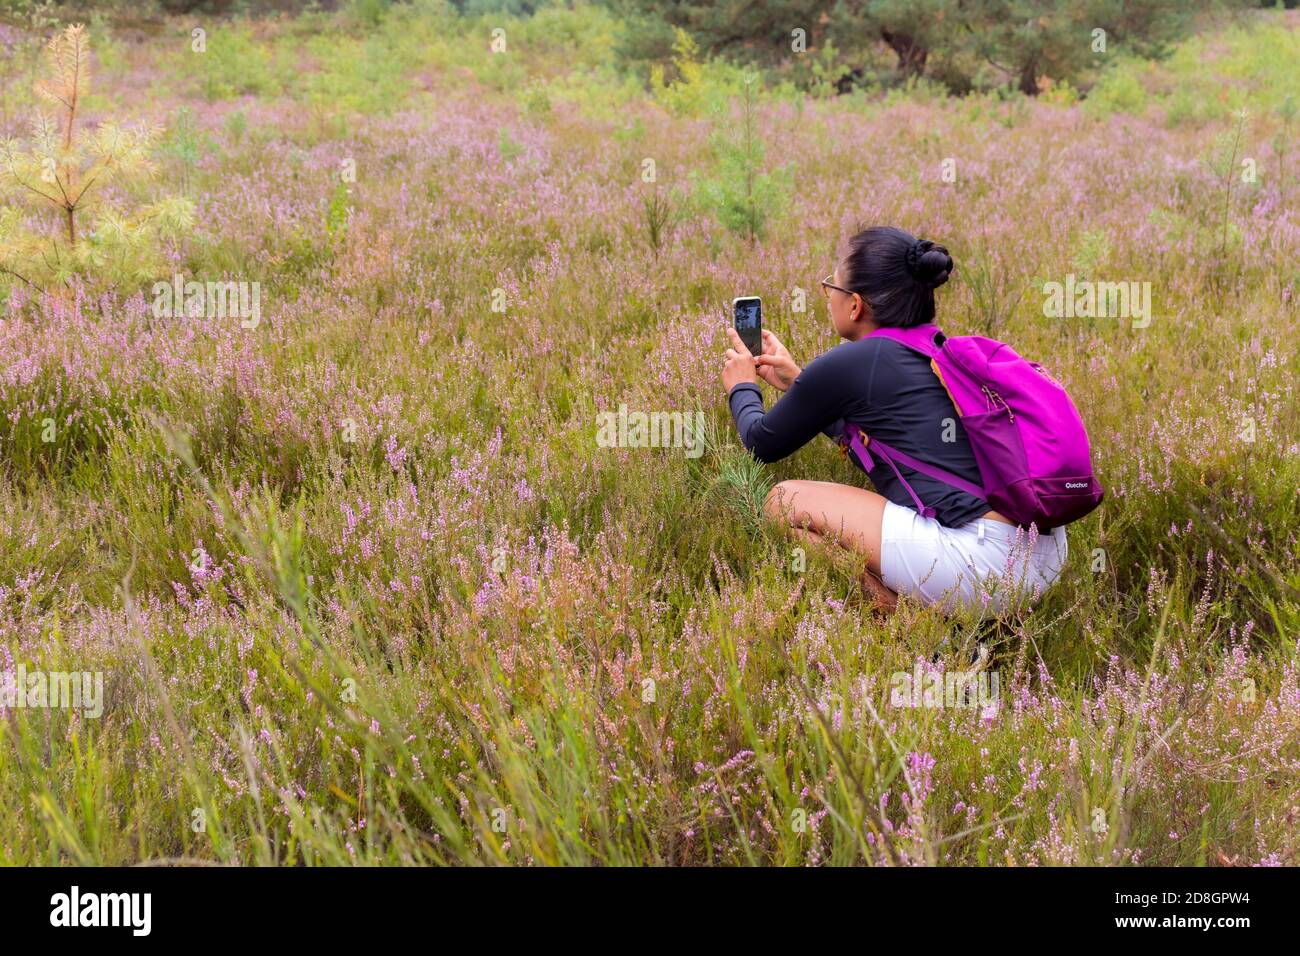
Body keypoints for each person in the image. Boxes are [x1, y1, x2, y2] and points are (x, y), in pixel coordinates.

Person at [722, 225, 1067, 615]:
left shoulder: (849, 363)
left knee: (782, 501)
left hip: (980, 566)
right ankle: (961, 617)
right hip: (1043, 559)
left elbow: (761, 444)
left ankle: (901, 621)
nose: (827, 298)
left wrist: (742, 386)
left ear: (854, 305)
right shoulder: (939, 350)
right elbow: (876, 439)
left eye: (829, 288)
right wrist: (800, 384)